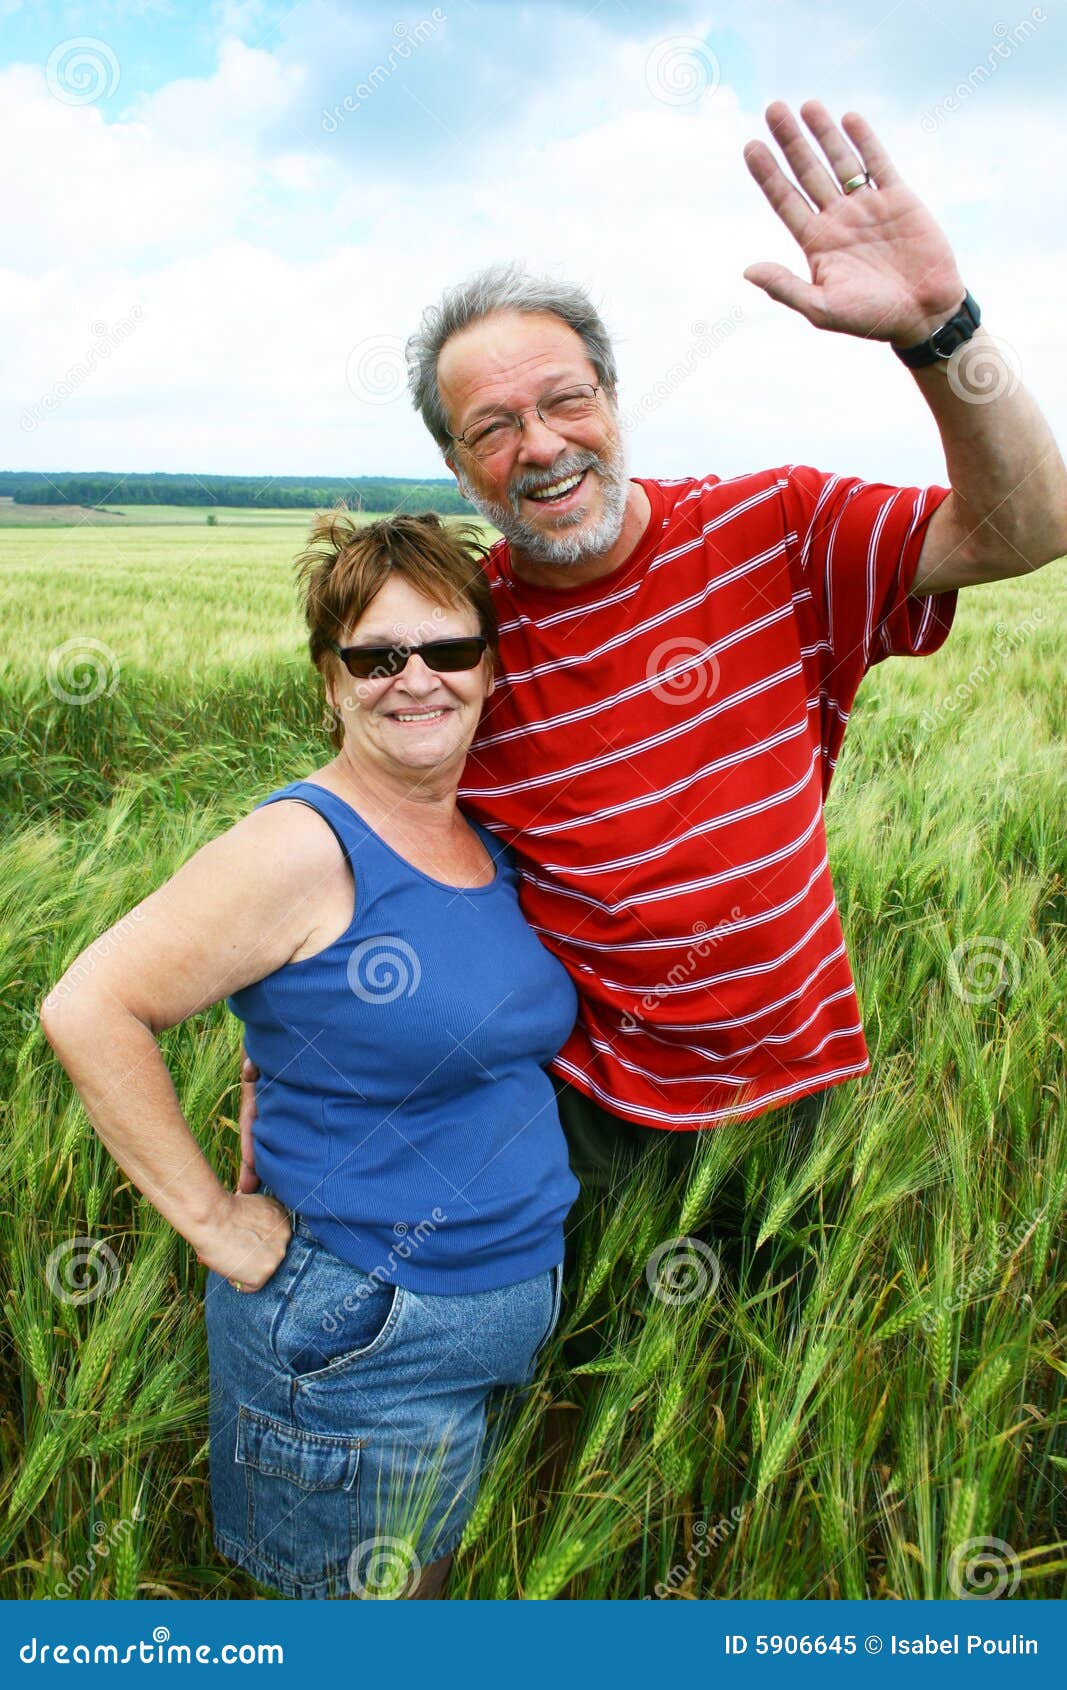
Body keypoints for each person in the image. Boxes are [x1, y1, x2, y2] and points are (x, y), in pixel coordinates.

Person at [242, 103, 1067, 1188]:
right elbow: (363, 832)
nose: (540, 446)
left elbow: (1027, 529)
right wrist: (282, 1051)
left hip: (796, 1085)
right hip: (577, 1107)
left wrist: (936, 325)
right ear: (455, 466)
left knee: (781, 1337)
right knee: (601, 1349)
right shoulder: (456, 639)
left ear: (612, 401)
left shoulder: (773, 526)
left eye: (563, 401)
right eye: (492, 428)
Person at [40, 511, 580, 1601]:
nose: (415, 678)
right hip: (358, 1342)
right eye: (375, 656)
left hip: (489, 1313)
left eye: (447, 649)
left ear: (489, 667)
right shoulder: (301, 844)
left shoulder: (478, 830)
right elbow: (89, 1004)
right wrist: (213, 1219)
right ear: (328, 683)